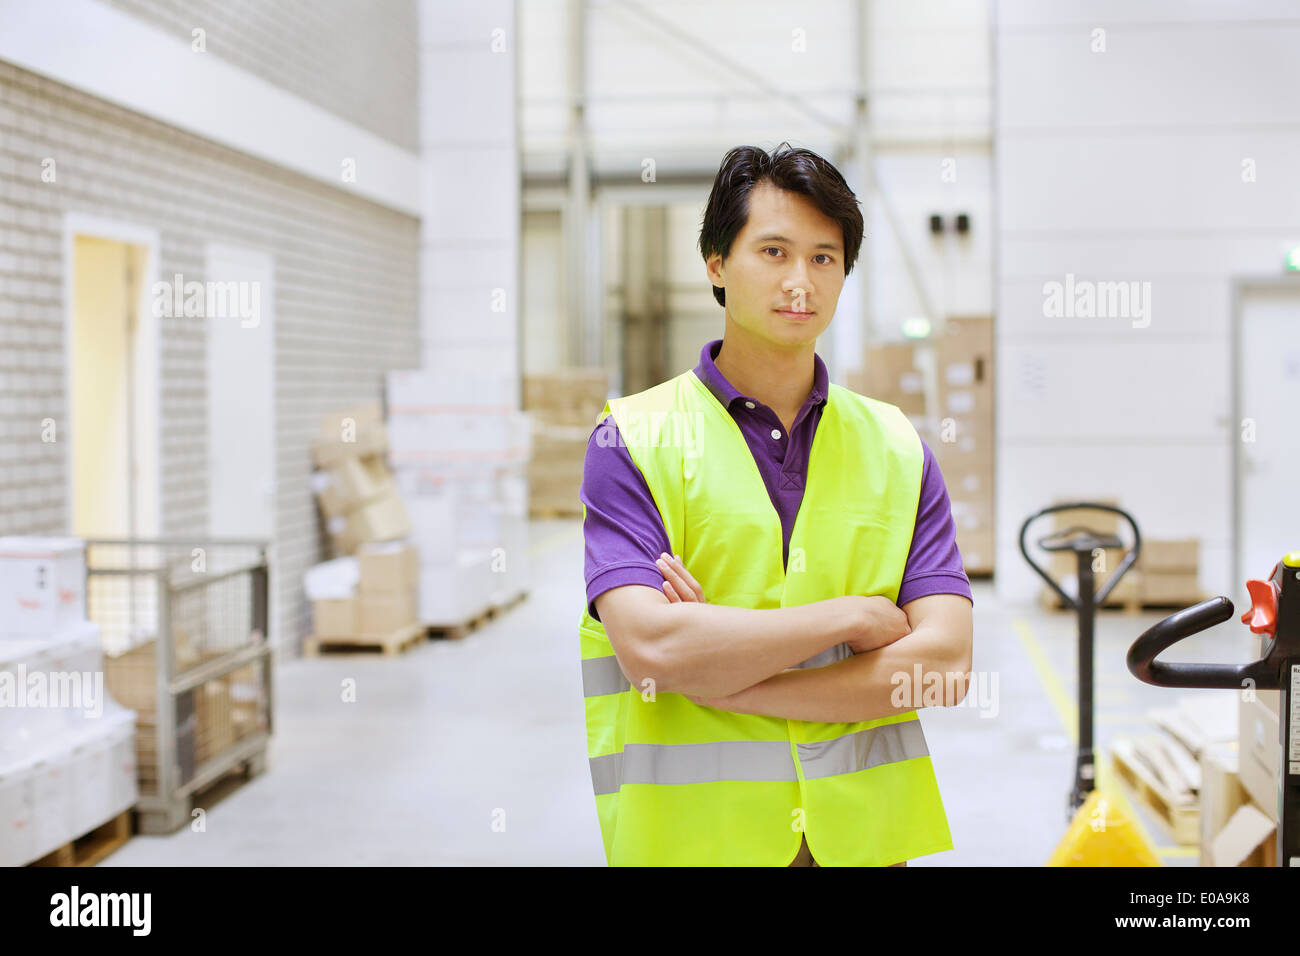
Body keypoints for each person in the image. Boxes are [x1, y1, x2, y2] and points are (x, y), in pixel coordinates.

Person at [578, 142, 974, 867]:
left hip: (863, 843)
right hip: (699, 843)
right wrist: (853, 618)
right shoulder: (632, 439)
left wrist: (727, 673)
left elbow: (941, 667)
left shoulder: (896, 446)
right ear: (717, 266)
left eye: (824, 258)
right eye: (774, 251)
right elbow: (655, 653)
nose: (801, 281)